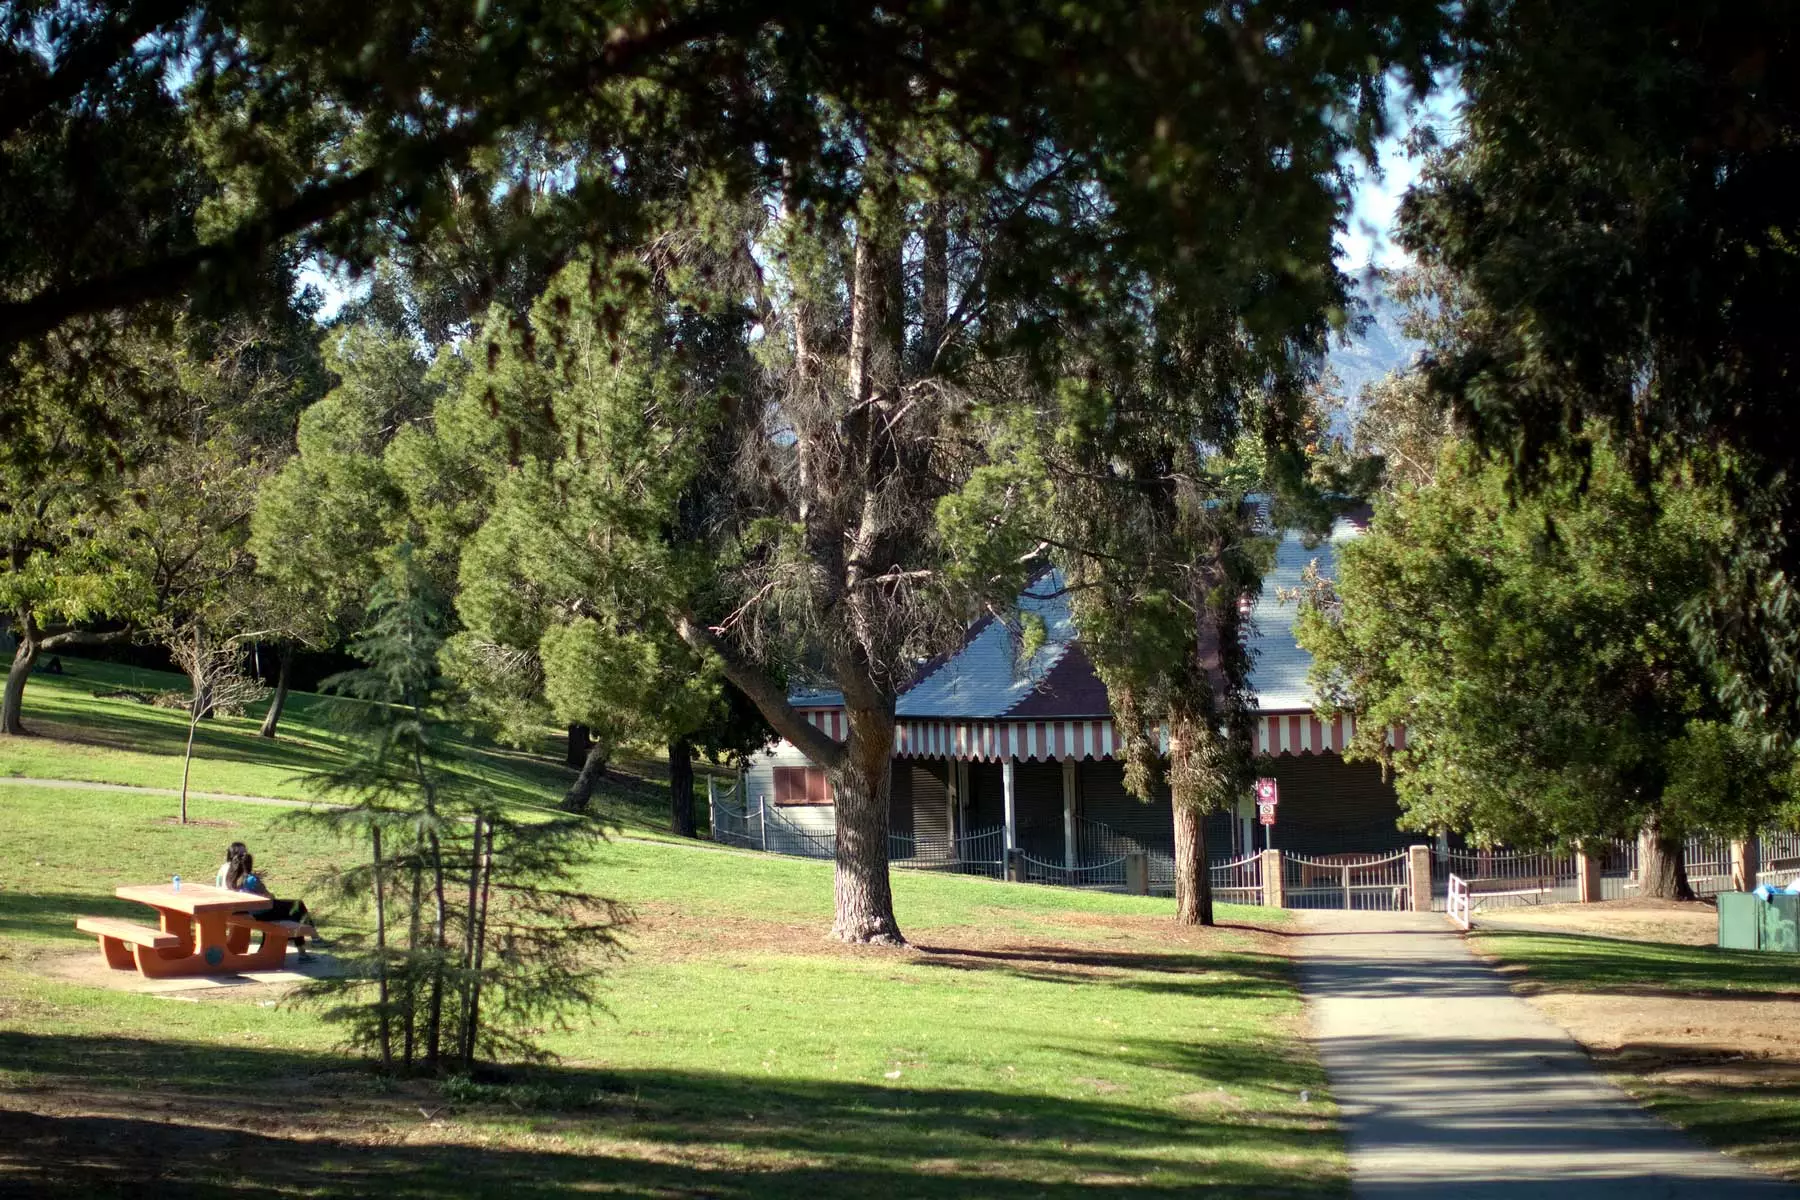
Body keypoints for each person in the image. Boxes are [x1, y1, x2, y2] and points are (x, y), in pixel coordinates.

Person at [224, 845, 314, 961]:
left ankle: (304, 950)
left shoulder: (230, 878)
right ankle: (311, 942)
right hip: (260, 913)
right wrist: (260, 884)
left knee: (293, 911)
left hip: (244, 911)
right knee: (296, 909)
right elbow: (269, 897)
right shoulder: (251, 879)